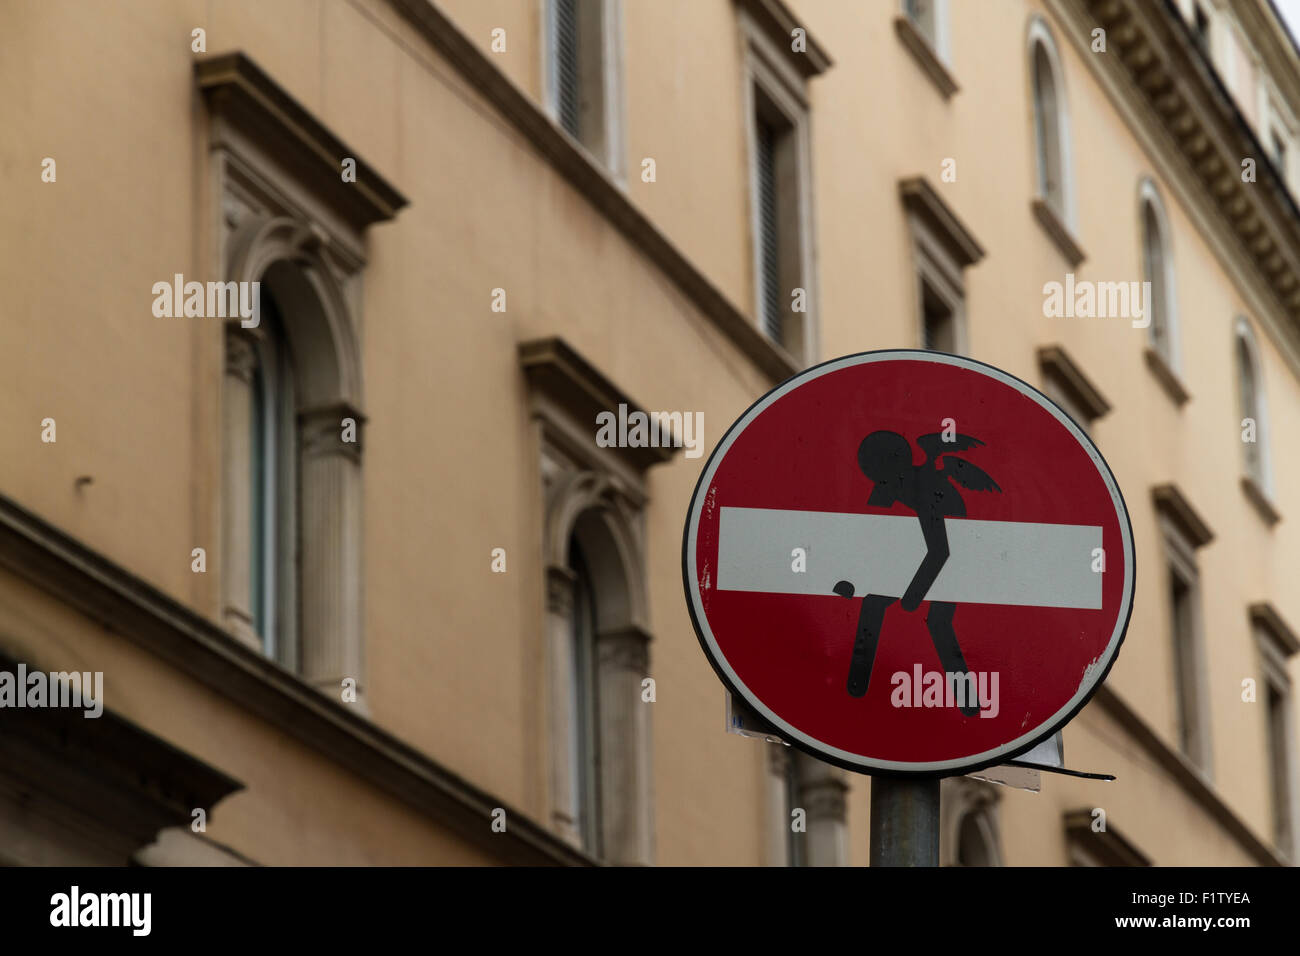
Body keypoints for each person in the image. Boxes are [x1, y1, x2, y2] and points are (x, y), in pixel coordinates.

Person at [833, 430, 999, 715]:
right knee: (874, 603)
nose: (878, 484)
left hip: (959, 554)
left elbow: (941, 550)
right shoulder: (893, 484)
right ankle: (854, 692)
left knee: (938, 620)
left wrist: (912, 596)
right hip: (919, 550)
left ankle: (969, 704)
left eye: (878, 474)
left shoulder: (928, 489)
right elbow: (871, 527)